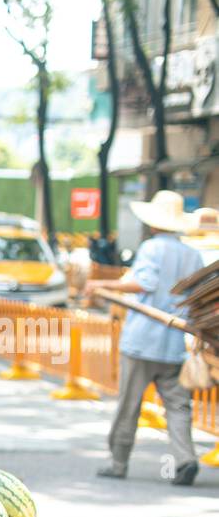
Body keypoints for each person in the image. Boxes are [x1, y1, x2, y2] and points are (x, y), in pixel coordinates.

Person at [89, 190, 203, 486]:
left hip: (141, 343)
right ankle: (185, 459)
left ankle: (118, 462)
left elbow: (144, 283)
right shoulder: (193, 255)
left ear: (154, 223)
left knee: (130, 404)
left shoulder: (152, 247)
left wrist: (101, 283)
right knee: (178, 405)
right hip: (173, 344)